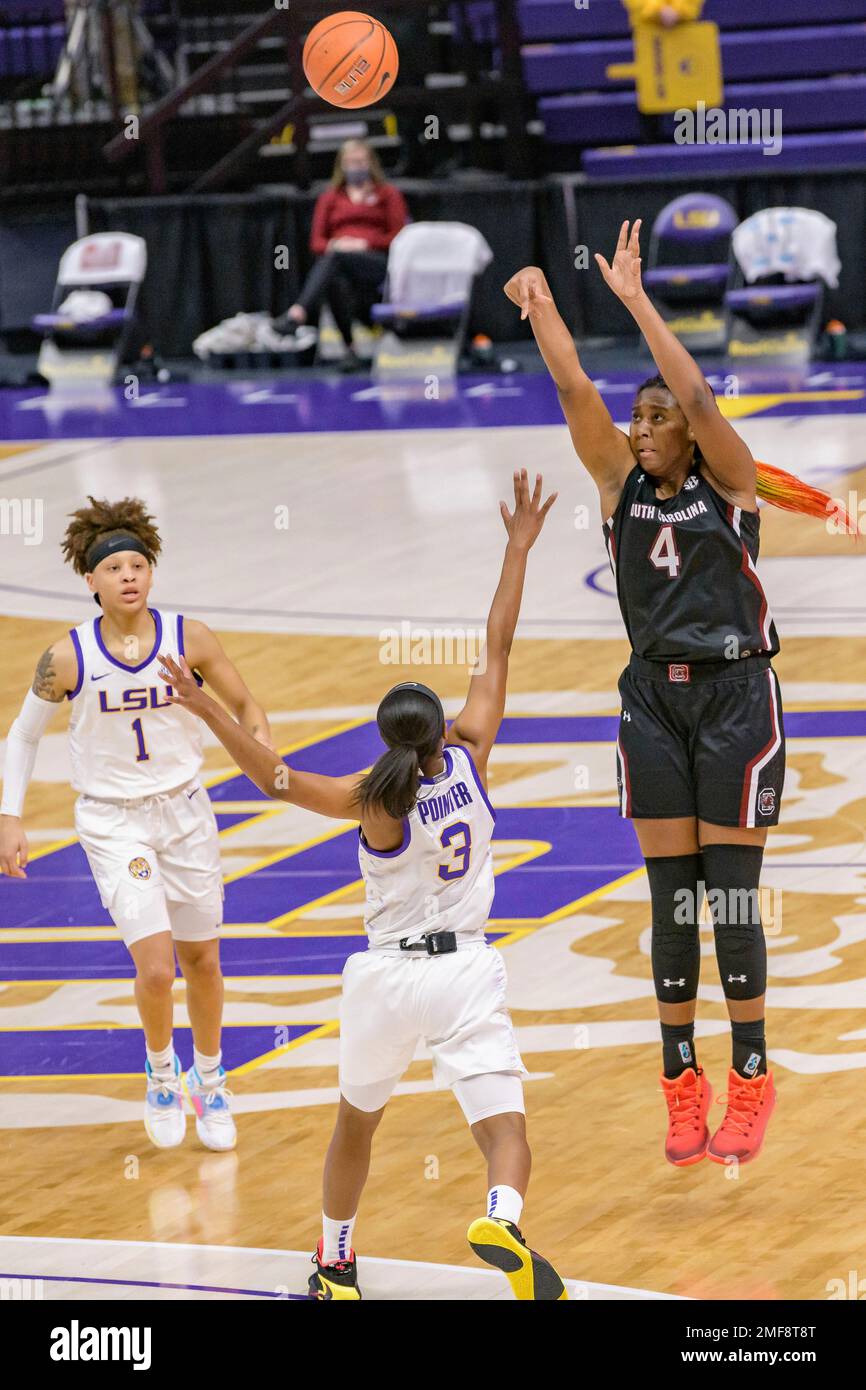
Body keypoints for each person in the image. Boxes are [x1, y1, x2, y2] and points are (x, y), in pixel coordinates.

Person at [157, 471, 568, 1301]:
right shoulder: (476, 752)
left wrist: (206, 711)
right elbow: (498, 645)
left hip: (384, 978)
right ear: (442, 728)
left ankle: (336, 1263)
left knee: (356, 1124)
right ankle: (501, 1215)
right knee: (506, 1128)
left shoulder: (372, 799)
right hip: (463, 973)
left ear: (386, 738)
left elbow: (272, 779)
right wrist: (517, 546)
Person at [504, 222, 848, 1169]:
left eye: (656, 418)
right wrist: (540, 310)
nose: (643, 426)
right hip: (652, 699)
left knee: (732, 902)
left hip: (738, 695)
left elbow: (695, 388)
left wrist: (636, 302)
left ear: (688, 431)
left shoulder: (731, 484)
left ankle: (751, 1074)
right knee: (671, 906)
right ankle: (678, 1079)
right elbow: (574, 389)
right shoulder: (620, 484)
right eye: (639, 418)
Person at [0, 497, 275, 1152]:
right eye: (114, 567)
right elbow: (21, 737)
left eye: (137, 564)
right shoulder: (67, 657)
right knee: (156, 969)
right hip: (113, 820)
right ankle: (159, 1069)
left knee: (203, 959)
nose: (128, 575)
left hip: (186, 809)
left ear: (151, 572)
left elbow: (246, 706)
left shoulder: (192, 638)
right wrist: (10, 815)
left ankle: (209, 1077)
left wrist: (264, 760)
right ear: (90, 580)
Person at [274, 138, 409, 372]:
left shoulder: (388, 194)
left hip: (378, 263)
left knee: (335, 258)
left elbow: (399, 236)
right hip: (340, 264)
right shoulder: (330, 197)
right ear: (341, 166)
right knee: (334, 272)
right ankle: (350, 349)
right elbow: (317, 242)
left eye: (360, 161)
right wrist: (337, 244)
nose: (355, 167)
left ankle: (298, 313)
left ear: (371, 163)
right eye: (350, 162)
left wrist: (362, 243)